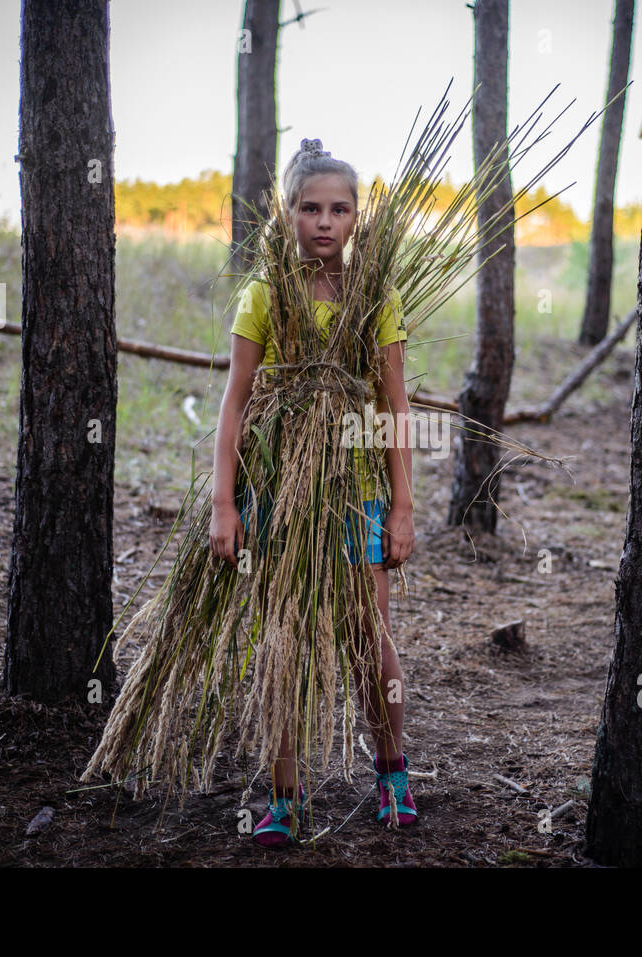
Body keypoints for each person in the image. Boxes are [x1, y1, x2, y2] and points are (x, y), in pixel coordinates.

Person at [208, 138, 418, 847]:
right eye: (309, 208)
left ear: (358, 218)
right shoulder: (265, 293)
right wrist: (225, 502)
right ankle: (285, 797)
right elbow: (234, 404)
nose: (324, 222)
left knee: (370, 637)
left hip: (357, 493)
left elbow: (394, 408)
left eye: (339, 209)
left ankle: (393, 774)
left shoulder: (375, 296)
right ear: (287, 213)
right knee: (284, 641)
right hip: (279, 496)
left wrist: (401, 505)